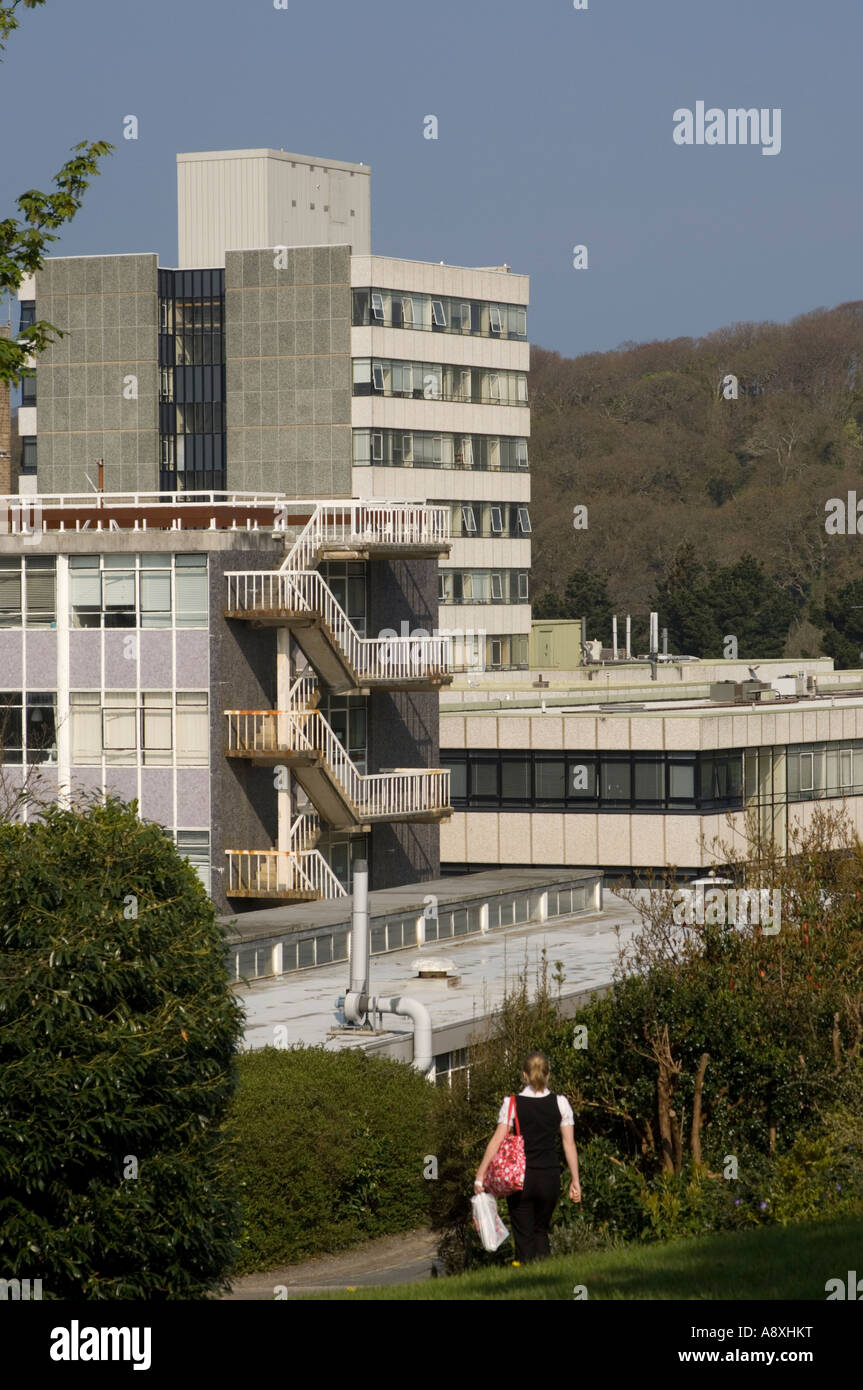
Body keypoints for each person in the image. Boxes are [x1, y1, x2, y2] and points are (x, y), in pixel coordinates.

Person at [474, 1051, 581, 1263]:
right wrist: (575, 1181)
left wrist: (480, 1175)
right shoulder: (561, 1104)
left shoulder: (512, 1104)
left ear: (524, 1075)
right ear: (548, 1074)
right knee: (541, 1231)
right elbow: (569, 1144)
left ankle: (525, 1281)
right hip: (550, 1176)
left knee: (524, 1236)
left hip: (520, 1179)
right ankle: (547, 1278)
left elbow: (496, 1141)